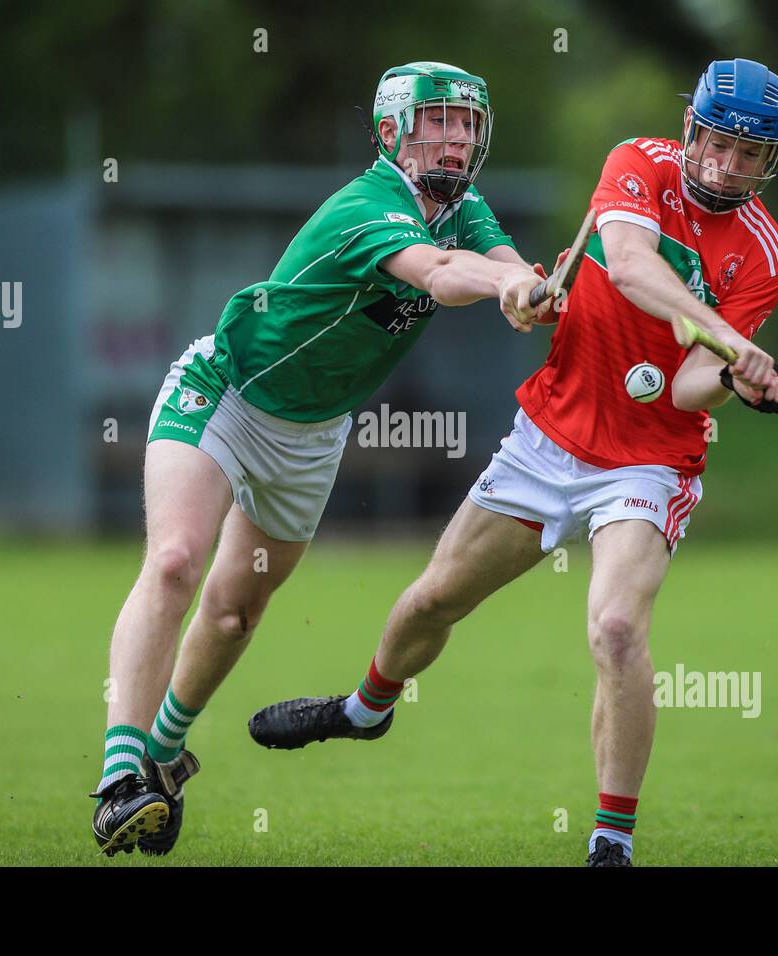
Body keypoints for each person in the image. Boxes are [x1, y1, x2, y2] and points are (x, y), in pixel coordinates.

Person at [248, 57, 778, 867]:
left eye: (751, 154)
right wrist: (731, 338)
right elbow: (633, 265)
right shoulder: (637, 165)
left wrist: (737, 377)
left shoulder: (764, 254)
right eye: (718, 143)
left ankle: (612, 839)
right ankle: (366, 709)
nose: (728, 166)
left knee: (616, 629)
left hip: (649, 462)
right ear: (691, 128)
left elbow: (687, 388)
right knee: (434, 600)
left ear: (770, 158)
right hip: (551, 432)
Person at [89, 61, 554, 856]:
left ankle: (166, 756)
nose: (458, 137)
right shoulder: (368, 207)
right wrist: (505, 288)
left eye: (468, 123)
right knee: (173, 563)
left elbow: (498, 259)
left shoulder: (464, 207)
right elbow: (441, 275)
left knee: (236, 611)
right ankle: (119, 778)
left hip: (314, 436)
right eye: (438, 120)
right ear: (391, 134)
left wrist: (531, 285)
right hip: (225, 393)